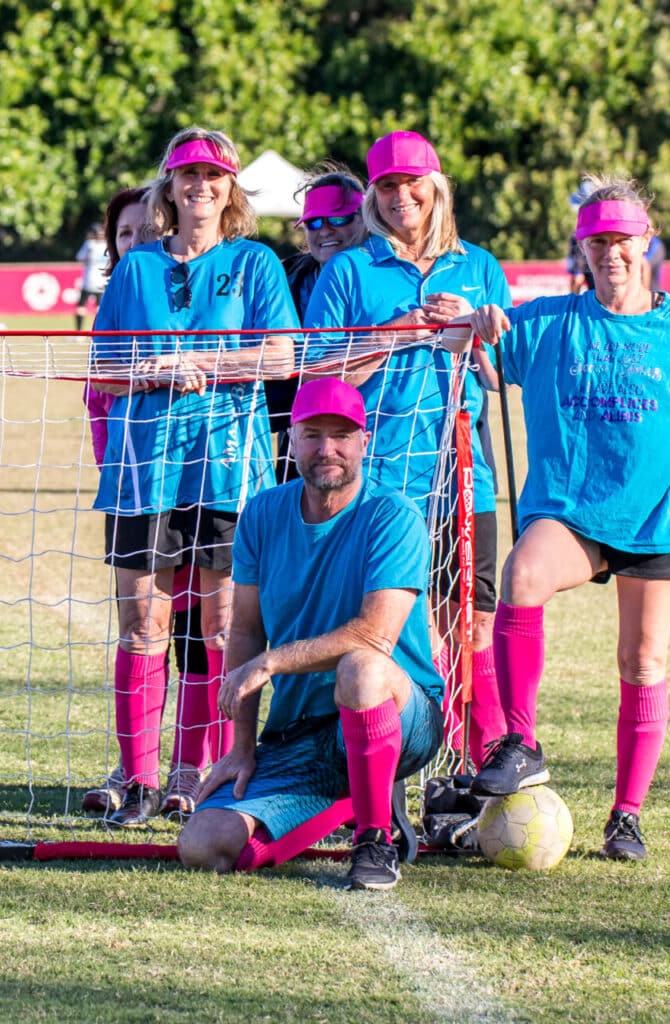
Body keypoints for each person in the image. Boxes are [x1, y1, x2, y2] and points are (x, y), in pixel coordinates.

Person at [466, 178, 670, 861]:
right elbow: (486, 363)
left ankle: (626, 816)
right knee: (523, 573)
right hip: (571, 512)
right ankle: (521, 743)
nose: (610, 253)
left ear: (646, 242)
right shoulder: (551, 320)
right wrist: (474, 328)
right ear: (581, 248)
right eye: (598, 242)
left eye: (622, 240)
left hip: (655, 517)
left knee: (643, 661)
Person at [88, 127, 298, 826]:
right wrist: (147, 372)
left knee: (219, 629)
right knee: (142, 625)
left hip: (229, 473)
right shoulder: (137, 269)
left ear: (230, 188)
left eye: (212, 176)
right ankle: (138, 778)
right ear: (167, 188)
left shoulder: (257, 263)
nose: (199, 186)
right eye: (186, 175)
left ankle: (194, 771)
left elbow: (281, 360)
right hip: (143, 472)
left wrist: (207, 365)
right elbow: (103, 370)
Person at [178, 378, 443, 890]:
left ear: (364, 441)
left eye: (341, 436)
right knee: (202, 845)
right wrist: (241, 748)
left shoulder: (394, 516)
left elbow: (374, 638)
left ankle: (374, 840)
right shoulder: (262, 512)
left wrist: (272, 664)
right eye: (313, 435)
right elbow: (247, 632)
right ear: (292, 439)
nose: (328, 450)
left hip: (401, 715)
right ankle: (349, 798)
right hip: (303, 728)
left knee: (361, 668)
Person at [301, 129, 510, 773]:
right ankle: (379, 764)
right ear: (374, 196)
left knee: (470, 628)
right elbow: (322, 377)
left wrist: (475, 335)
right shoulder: (348, 270)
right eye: (387, 186)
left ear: (436, 185)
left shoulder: (479, 265)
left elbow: (502, 378)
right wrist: (395, 333)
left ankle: (476, 765)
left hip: (463, 475)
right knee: (383, 628)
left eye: (412, 182)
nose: (401, 196)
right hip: (380, 482)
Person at [269, 163, 368, 482]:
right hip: (302, 435)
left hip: (374, 433)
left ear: (366, 218)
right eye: (312, 222)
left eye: (338, 219)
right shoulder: (286, 278)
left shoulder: (385, 274)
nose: (324, 230)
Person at [73, 221, 107, 331]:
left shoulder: (89, 244)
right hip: (102, 280)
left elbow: (79, 257)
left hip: (89, 280)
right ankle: (100, 331)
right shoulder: (107, 245)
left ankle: (79, 333)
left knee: (81, 306)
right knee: (100, 308)